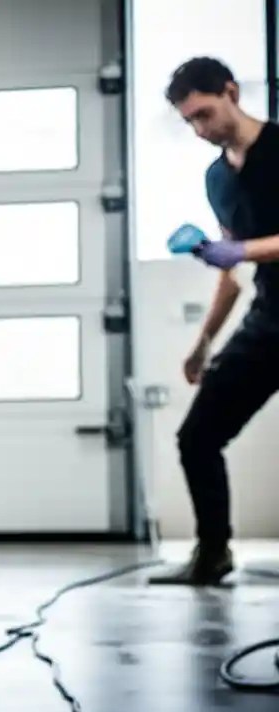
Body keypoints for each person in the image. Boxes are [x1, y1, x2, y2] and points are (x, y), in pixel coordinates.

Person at [148, 57, 279, 585]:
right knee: (197, 436)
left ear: (230, 92)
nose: (200, 130)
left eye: (204, 114)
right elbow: (231, 271)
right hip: (271, 319)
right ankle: (213, 552)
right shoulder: (216, 178)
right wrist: (203, 343)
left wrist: (240, 250)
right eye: (190, 122)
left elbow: (237, 253)